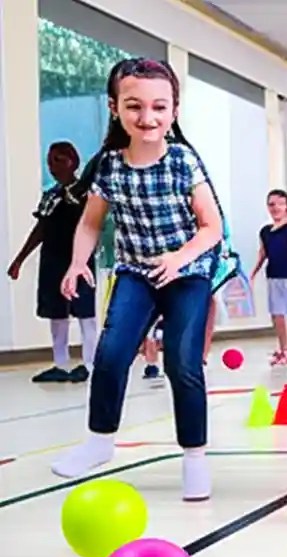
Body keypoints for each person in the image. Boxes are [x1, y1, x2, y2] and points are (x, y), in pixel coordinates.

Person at [50, 58, 225, 501]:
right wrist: (76, 263)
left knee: (182, 364)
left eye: (159, 108)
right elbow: (91, 223)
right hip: (136, 271)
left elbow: (212, 227)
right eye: (134, 107)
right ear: (114, 108)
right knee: (110, 355)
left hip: (188, 272)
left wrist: (179, 258)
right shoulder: (108, 166)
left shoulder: (183, 160)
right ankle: (99, 442)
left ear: (174, 111)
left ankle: (194, 458)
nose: (148, 118)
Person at [7, 142, 99, 383]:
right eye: (50, 162)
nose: (53, 167)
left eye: (59, 160)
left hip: (80, 261)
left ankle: (91, 364)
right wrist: (19, 259)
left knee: (85, 313)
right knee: (57, 314)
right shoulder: (51, 196)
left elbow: (94, 225)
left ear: (73, 162)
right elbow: (41, 229)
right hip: (53, 261)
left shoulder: (86, 193)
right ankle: (61, 364)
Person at [251, 189, 287, 364]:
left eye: (280, 204)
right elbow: (263, 253)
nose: (275, 208)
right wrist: (253, 273)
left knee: (284, 315)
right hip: (273, 275)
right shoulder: (265, 232)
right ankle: (282, 348)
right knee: (276, 314)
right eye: (271, 204)